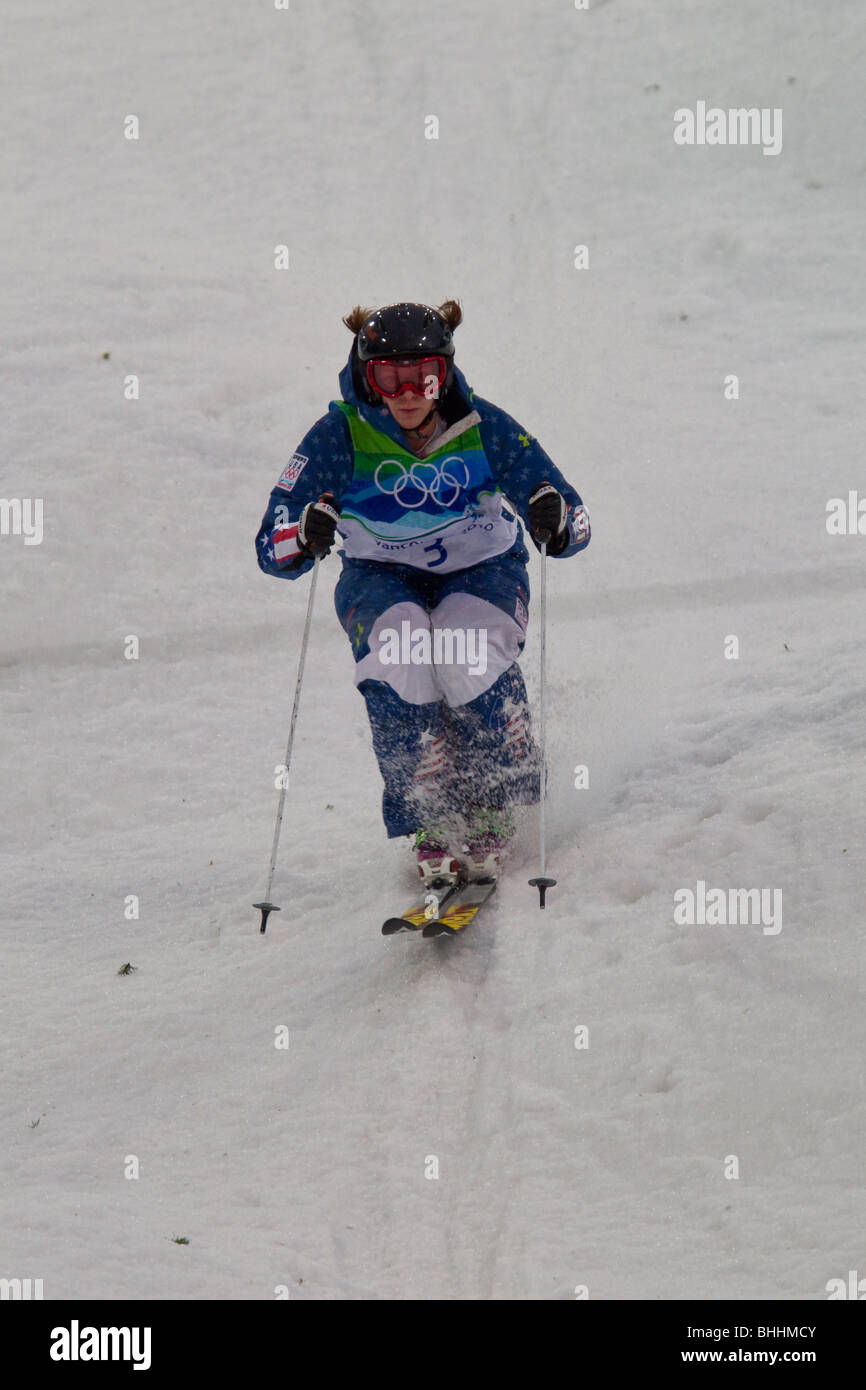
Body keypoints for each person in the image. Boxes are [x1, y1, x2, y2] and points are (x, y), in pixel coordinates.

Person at [256, 300, 590, 884]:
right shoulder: (340, 434)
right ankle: (428, 816)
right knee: (399, 655)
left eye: (424, 375)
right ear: (368, 377)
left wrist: (551, 513)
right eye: (390, 377)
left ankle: (493, 796)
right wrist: (301, 531)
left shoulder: (480, 424)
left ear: (446, 371)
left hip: (480, 566)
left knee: (464, 650)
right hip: (380, 575)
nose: (408, 393)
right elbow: (271, 545)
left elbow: (571, 515)